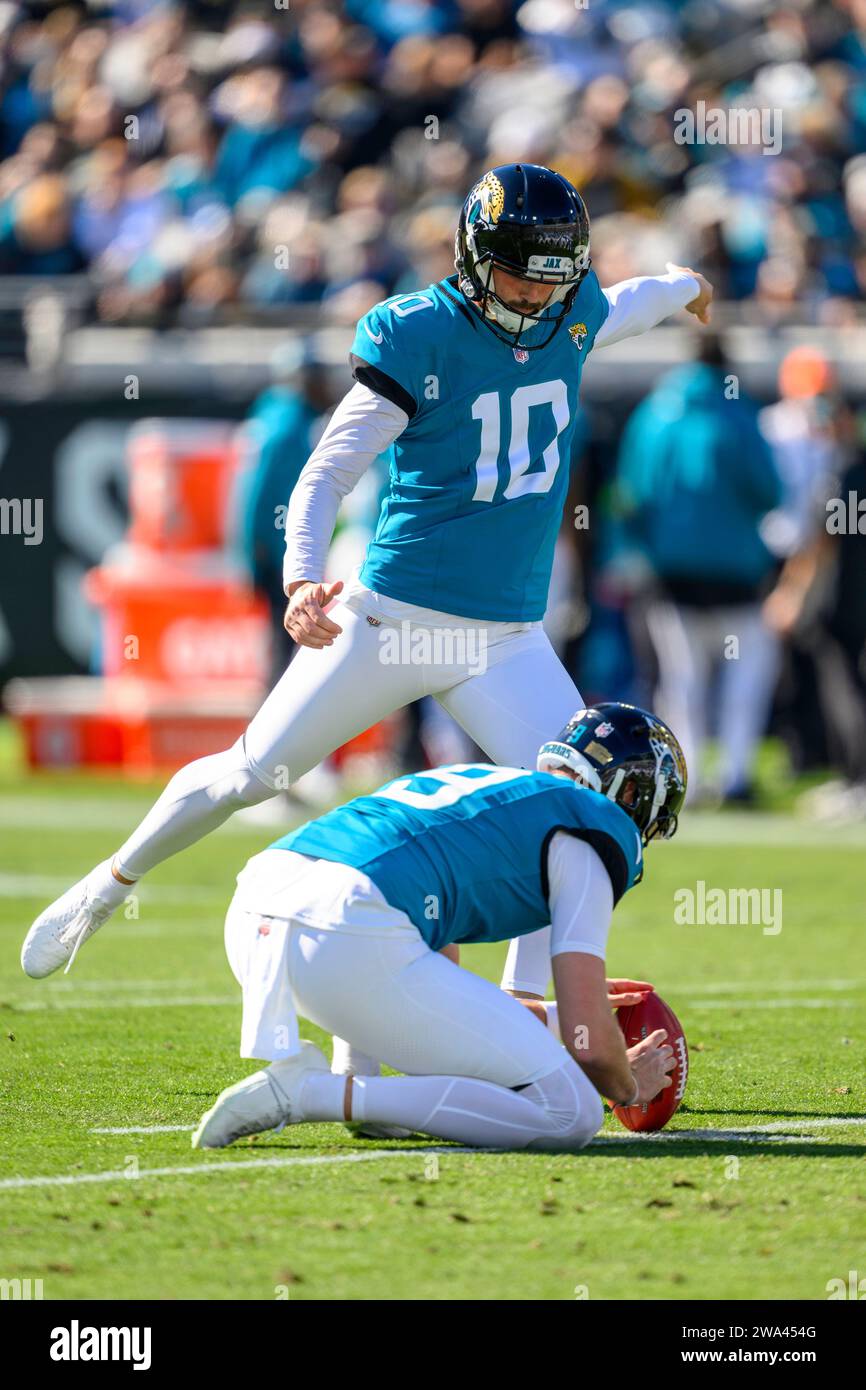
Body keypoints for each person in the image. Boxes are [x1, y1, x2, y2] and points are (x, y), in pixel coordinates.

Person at [22, 163, 710, 1010]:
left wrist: (687, 285)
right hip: (395, 620)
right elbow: (324, 476)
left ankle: (531, 1016)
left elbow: (631, 301)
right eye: (516, 275)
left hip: (507, 637)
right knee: (254, 772)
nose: (533, 297)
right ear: (469, 255)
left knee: (573, 813)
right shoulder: (417, 334)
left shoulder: (572, 312)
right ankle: (110, 883)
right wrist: (302, 576)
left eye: (550, 279)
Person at [192, 703, 687, 1152]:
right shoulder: (592, 826)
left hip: (255, 914)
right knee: (569, 1113)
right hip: (343, 930)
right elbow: (591, 1046)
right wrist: (629, 1084)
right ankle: (309, 1092)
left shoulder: (480, 785)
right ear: (632, 792)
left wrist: (557, 1017)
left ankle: (355, 1075)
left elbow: (437, 995)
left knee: (431, 1043)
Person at [615, 336, 782, 804]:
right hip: (739, 576)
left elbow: (631, 496)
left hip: (671, 575)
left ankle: (683, 778)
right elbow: (769, 491)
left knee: (681, 680)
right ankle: (736, 776)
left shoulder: (654, 415)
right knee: (743, 680)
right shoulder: (742, 415)